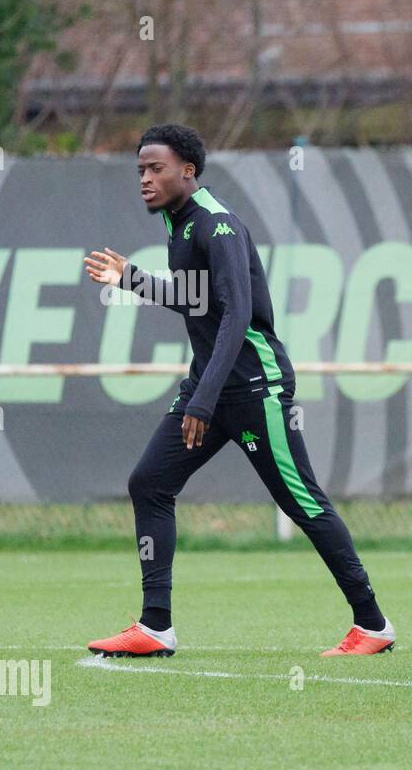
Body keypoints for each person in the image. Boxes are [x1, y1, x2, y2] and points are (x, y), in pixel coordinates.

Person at [83, 124, 393, 659]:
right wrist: (131, 277)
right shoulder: (180, 225)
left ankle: (373, 623)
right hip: (212, 386)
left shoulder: (216, 225)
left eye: (156, 168)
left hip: (254, 385)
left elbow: (236, 315)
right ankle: (156, 626)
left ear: (189, 170)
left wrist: (203, 399)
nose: (146, 179)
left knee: (301, 501)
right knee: (149, 483)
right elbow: (195, 297)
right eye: (140, 170)